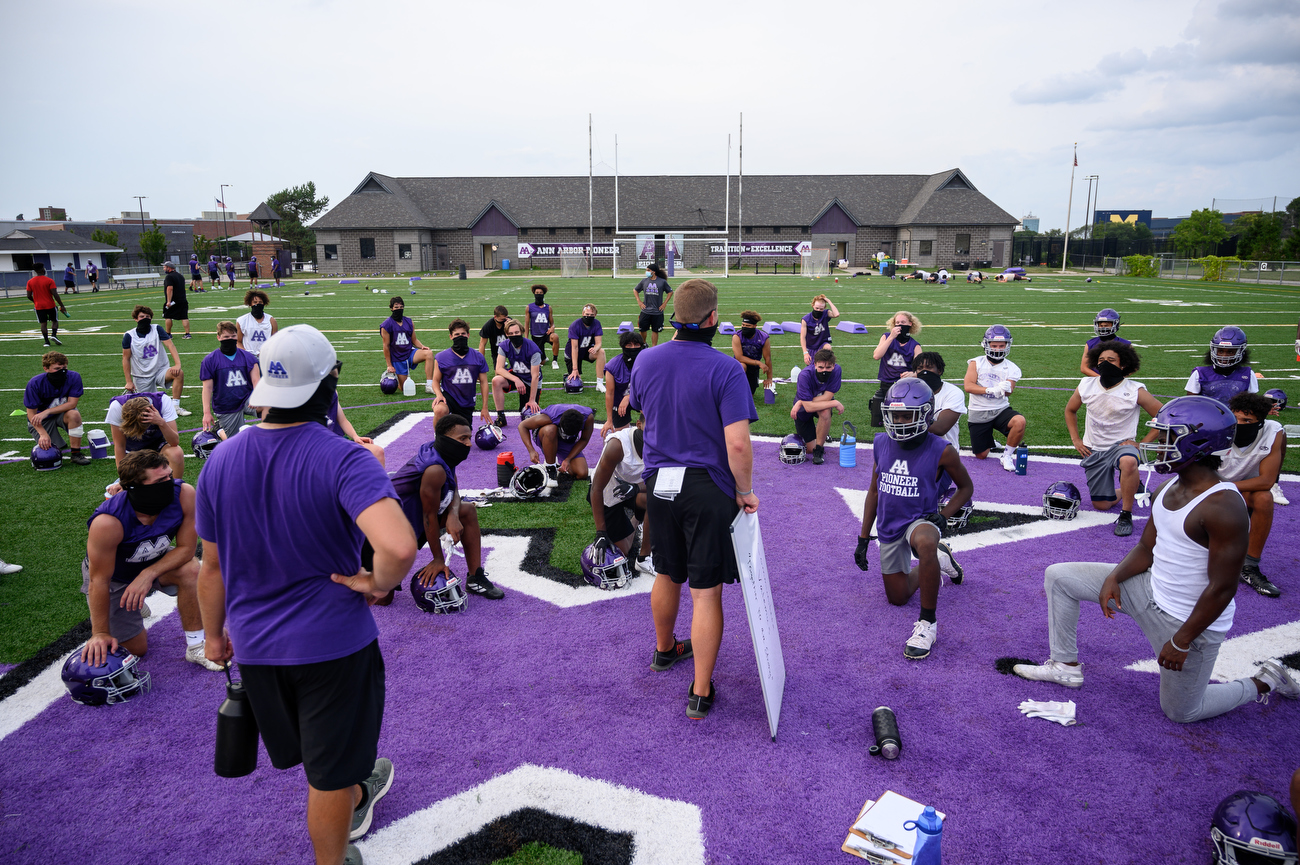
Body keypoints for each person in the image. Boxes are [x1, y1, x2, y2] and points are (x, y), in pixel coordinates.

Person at [196, 324, 417, 865]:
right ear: (327, 383)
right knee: (332, 774)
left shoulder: (220, 460)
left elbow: (212, 567)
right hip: (332, 643)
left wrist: (213, 634)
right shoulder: (345, 457)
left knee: (322, 765)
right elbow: (399, 547)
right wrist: (378, 583)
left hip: (254, 645)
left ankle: (357, 791)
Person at [1013, 396, 1300, 723]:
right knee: (1060, 576)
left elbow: (1223, 588)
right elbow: (1147, 549)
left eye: (1167, 437)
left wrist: (1181, 640)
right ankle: (1065, 666)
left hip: (1190, 621)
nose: (1158, 445)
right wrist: (1115, 576)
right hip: (1149, 590)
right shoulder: (1166, 489)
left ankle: (1265, 680)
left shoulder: (1224, 506)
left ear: (1198, 444)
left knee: (1182, 711)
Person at [628, 278, 758, 720]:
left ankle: (665, 649)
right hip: (706, 486)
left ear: (672, 316)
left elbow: (641, 413)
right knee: (705, 593)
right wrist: (745, 491)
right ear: (713, 318)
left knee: (667, 572)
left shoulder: (645, 358)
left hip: (659, 482)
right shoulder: (726, 369)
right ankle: (700, 691)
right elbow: (738, 445)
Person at [853, 378, 972, 660]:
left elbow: (966, 487)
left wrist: (942, 516)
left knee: (927, 541)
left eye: (907, 415)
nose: (899, 421)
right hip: (890, 523)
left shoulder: (941, 449)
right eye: (895, 415)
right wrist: (862, 538)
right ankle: (940, 561)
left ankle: (927, 624)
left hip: (920, 518)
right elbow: (873, 491)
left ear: (926, 414)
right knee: (897, 597)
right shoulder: (881, 442)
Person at [81, 449, 220, 671]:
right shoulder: (108, 522)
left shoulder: (184, 494)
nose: (169, 483)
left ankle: (196, 646)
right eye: (160, 480)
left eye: (169, 476)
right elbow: (99, 580)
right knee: (136, 650)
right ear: (134, 487)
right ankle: (134, 603)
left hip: (156, 558)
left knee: (192, 568)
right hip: (116, 576)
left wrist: (147, 574)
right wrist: (100, 633)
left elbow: (186, 549)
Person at [388, 414, 502, 600]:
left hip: (411, 520)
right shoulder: (434, 470)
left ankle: (475, 578)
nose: (469, 444)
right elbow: (428, 517)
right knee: (382, 596)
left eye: (468, 437)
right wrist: (438, 559)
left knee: (467, 511)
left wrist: (453, 514)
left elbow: (453, 487)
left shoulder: (443, 453)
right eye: (462, 438)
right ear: (444, 439)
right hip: (385, 531)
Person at [1064, 343, 1164, 537]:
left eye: (1111, 360)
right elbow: (1070, 410)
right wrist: (1076, 439)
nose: (1105, 364)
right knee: (1102, 505)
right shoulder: (1086, 385)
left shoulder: (1135, 389)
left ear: (1123, 364)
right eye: (1101, 360)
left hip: (1122, 446)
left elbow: (1163, 415)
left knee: (1128, 461)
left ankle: (1126, 514)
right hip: (1094, 448)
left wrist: (1142, 443)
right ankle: (1133, 487)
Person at [1221, 393, 1287, 598]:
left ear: (1261, 422)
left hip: (1241, 489)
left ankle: (1249, 566)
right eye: (1236, 418)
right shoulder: (1218, 428)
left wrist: (1226, 487)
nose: (1239, 424)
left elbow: (1267, 481)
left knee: (1264, 498)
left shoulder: (1273, 431)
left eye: (1247, 421)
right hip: (1208, 488)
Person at [590, 419, 654, 577]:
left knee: (657, 502)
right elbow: (596, 488)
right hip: (608, 492)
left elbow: (660, 478)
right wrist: (601, 532)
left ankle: (644, 558)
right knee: (623, 550)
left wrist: (637, 487)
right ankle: (636, 519)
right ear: (639, 424)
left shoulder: (665, 443)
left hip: (632, 488)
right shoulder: (618, 445)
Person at [964, 324, 1025, 472]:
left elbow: (1008, 392)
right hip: (978, 411)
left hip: (1000, 409)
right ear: (987, 344)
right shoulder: (976, 362)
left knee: (1019, 421)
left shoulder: (1012, 368)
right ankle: (990, 442)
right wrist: (990, 390)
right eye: (994, 345)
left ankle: (1007, 455)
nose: (997, 349)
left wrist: (1005, 389)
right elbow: (968, 386)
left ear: (1007, 345)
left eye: (1001, 345)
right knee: (981, 455)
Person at [25, 350, 91, 465]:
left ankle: (76, 454)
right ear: (46, 368)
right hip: (41, 420)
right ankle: (53, 437)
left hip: (60, 414)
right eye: (57, 369)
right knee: (53, 448)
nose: (62, 371)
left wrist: (48, 411)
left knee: (74, 414)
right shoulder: (35, 383)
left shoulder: (74, 377)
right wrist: (42, 433)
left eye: (64, 368)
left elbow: (72, 404)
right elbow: (31, 414)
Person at [106, 393, 185, 486]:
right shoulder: (116, 407)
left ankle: (174, 489)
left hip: (157, 446)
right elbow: (119, 445)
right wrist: (123, 480)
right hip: (132, 452)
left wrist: (161, 422)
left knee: (176, 452)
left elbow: (174, 442)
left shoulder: (163, 401)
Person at [123, 306, 189, 415]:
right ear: (136, 319)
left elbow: (170, 345)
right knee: (145, 408)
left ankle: (175, 406)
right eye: (141, 316)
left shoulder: (157, 329)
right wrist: (129, 381)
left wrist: (177, 364)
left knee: (178, 373)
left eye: (147, 316)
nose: (145, 318)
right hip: (141, 375)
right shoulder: (129, 336)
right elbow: (125, 358)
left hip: (160, 370)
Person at [200, 321, 261, 439]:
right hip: (226, 404)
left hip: (246, 398)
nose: (230, 339)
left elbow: (256, 381)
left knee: (271, 407)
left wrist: (257, 397)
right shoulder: (210, 360)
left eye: (233, 336)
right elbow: (207, 388)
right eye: (226, 337)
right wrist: (206, 413)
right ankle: (219, 431)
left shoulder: (248, 357)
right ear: (219, 337)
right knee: (236, 442)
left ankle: (271, 434)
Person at [430, 319, 492, 427]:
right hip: (450, 396)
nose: (460, 336)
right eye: (456, 334)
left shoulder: (478, 357)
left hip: (467, 400)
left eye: (463, 334)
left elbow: (483, 382)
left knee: (464, 439)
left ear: (468, 335)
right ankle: (438, 438)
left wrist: (485, 407)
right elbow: (435, 380)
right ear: (451, 337)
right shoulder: (441, 357)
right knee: (440, 410)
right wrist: (439, 395)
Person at [518, 403, 595, 486]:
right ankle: (550, 469)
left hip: (567, 442)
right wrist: (531, 450)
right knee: (550, 430)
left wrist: (568, 459)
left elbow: (584, 439)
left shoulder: (588, 418)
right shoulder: (553, 416)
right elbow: (522, 426)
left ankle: (557, 460)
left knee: (582, 473)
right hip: (546, 436)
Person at [869, 311, 923, 427]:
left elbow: (921, 370)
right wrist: (891, 337)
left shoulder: (915, 346)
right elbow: (876, 355)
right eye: (897, 323)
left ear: (910, 324)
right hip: (886, 383)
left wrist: (913, 374)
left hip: (904, 385)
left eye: (903, 322)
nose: (899, 325)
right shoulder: (886, 337)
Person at [791, 349, 844, 465]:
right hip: (804, 408)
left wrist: (801, 402)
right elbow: (809, 407)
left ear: (834, 366)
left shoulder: (837, 370)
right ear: (814, 365)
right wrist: (835, 403)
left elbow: (827, 396)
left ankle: (819, 450)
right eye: (821, 367)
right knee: (809, 449)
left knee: (825, 411)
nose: (824, 371)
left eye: (828, 367)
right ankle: (820, 431)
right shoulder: (804, 375)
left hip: (813, 403)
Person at [907, 351, 967, 453]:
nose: (924, 372)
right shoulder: (909, 391)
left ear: (939, 370)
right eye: (920, 368)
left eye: (929, 367)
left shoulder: (954, 393)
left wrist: (907, 421)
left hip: (944, 452)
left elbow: (940, 428)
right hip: (915, 449)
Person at [325, 374, 386, 466]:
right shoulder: (302, 397)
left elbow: (342, 420)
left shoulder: (331, 389)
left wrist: (355, 436)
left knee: (378, 452)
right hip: (320, 446)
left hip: (336, 441)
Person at [491, 318, 541, 426]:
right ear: (507, 334)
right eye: (511, 333)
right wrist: (516, 379)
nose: (514, 335)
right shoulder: (504, 345)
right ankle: (501, 416)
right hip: (517, 375)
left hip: (530, 380)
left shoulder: (533, 349)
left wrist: (532, 400)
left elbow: (535, 376)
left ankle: (530, 401)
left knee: (527, 416)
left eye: (517, 332)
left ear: (522, 331)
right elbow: (499, 368)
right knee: (496, 380)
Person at [1186, 326, 1258, 401]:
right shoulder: (1200, 374)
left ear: (1240, 352)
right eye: (1220, 351)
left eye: (1230, 352)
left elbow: (1252, 406)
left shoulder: (1248, 374)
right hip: (1208, 412)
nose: (1224, 356)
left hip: (1235, 413)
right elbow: (1191, 404)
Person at [381, 296, 430, 394]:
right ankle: (389, 376)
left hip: (409, 353)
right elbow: (386, 346)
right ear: (391, 308)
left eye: (401, 307)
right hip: (397, 357)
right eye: (396, 307)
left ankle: (429, 384)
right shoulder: (386, 325)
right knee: (403, 388)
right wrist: (389, 365)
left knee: (428, 353)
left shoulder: (409, 321)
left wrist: (421, 346)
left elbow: (414, 340)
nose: (399, 309)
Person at [600, 331, 643, 437]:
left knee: (650, 427)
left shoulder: (647, 362)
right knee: (620, 435)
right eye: (629, 345)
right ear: (623, 346)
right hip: (620, 403)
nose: (633, 348)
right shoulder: (612, 366)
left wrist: (629, 396)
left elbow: (651, 388)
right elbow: (609, 393)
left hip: (642, 398)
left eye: (636, 344)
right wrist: (609, 420)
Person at [1080, 308, 1132, 378]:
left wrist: (1118, 378)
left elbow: (1132, 366)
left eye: (1106, 325)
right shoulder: (1090, 343)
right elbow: (1084, 368)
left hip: (1117, 381)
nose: (1103, 328)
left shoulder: (1125, 344)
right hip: (1095, 381)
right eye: (1101, 325)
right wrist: (1101, 378)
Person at [731, 311, 773, 398]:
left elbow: (767, 358)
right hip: (739, 365)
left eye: (748, 326)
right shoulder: (737, 336)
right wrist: (758, 363)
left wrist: (769, 378)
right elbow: (739, 357)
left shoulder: (763, 337)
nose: (744, 327)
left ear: (755, 326)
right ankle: (735, 389)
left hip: (753, 368)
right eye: (743, 325)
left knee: (750, 395)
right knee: (743, 366)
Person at [567, 303, 606, 392]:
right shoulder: (575, 325)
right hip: (572, 353)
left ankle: (599, 383)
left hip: (586, 351)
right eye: (587, 314)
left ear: (595, 315)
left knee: (601, 352)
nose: (589, 316)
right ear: (583, 313)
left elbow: (599, 343)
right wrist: (575, 368)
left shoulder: (596, 323)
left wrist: (596, 348)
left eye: (591, 315)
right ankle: (567, 375)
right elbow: (575, 347)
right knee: (575, 381)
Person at [26, 263, 66, 347]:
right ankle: (54, 335)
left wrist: (35, 301)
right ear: (42, 270)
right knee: (54, 321)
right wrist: (62, 305)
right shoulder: (49, 280)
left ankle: (46, 342)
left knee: (43, 323)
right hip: (50, 305)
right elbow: (55, 294)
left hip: (38, 306)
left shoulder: (30, 282)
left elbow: (28, 296)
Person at [634, 263, 673, 346]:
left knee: (655, 331)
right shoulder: (644, 281)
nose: (646, 272)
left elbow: (670, 292)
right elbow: (635, 290)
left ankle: (653, 347)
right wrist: (639, 301)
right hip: (645, 311)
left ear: (653, 272)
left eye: (648, 270)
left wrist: (664, 304)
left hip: (657, 312)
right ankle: (644, 344)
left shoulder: (662, 282)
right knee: (642, 329)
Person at [526, 284, 561, 370]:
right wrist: (526, 338)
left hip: (546, 333)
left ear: (543, 294)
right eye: (537, 292)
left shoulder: (548, 308)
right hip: (536, 335)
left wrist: (552, 327)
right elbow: (526, 324)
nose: (539, 294)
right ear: (534, 293)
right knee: (542, 362)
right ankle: (544, 358)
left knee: (555, 337)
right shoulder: (529, 307)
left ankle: (554, 361)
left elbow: (552, 323)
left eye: (540, 293)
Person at [798, 294, 839, 367]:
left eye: (821, 309)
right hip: (811, 347)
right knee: (813, 367)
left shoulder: (825, 314)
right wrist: (805, 353)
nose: (818, 310)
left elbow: (836, 314)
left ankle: (828, 368)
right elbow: (802, 337)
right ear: (813, 305)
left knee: (828, 347)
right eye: (816, 308)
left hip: (822, 344)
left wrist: (828, 301)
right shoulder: (806, 319)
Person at [236, 289, 277, 356]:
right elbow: (238, 341)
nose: (258, 304)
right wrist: (246, 354)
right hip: (249, 357)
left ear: (264, 303)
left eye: (260, 302)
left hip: (266, 356)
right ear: (250, 304)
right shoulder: (242, 320)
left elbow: (275, 341)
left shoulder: (271, 321)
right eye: (255, 302)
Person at [161, 261, 191, 339]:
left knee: (168, 316)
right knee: (184, 317)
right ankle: (187, 334)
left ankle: (168, 334)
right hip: (182, 300)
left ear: (169, 268)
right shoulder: (180, 276)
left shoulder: (169, 277)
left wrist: (168, 301)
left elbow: (170, 288)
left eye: (164, 267)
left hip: (173, 301)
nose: (163, 268)